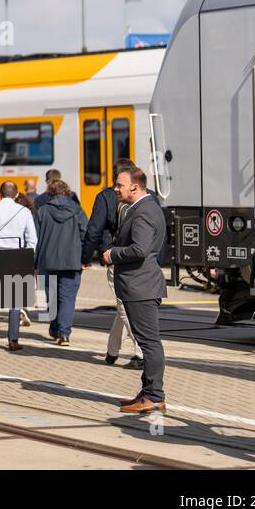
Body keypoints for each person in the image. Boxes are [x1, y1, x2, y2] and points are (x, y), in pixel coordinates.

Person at [103, 166, 167, 413]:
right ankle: (149, 392)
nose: (115, 188)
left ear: (135, 187)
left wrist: (113, 254)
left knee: (149, 342)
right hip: (141, 284)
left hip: (141, 285)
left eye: (119, 184)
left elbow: (139, 249)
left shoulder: (142, 212)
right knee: (146, 340)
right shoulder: (146, 208)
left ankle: (154, 396)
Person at [88, 157, 144, 368]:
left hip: (117, 258)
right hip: (139, 258)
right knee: (123, 305)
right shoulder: (148, 197)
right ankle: (112, 350)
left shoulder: (105, 197)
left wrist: (86, 257)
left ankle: (140, 351)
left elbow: (94, 229)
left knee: (124, 305)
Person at [0, 181, 38, 351]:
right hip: (17, 256)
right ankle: (13, 339)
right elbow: (32, 238)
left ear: (0, 193)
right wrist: (27, 254)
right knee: (16, 299)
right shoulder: (25, 211)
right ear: (17, 194)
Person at [34, 179, 87, 344]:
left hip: (47, 261)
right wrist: (85, 258)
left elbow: (35, 239)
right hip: (72, 261)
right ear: (67, 192)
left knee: (52, 297)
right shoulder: (78, 210)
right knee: (68, 298)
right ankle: (64, 333)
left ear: (50, 193)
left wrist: (34, 263)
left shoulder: (42, 211)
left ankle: (55, 327)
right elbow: (86, 234)